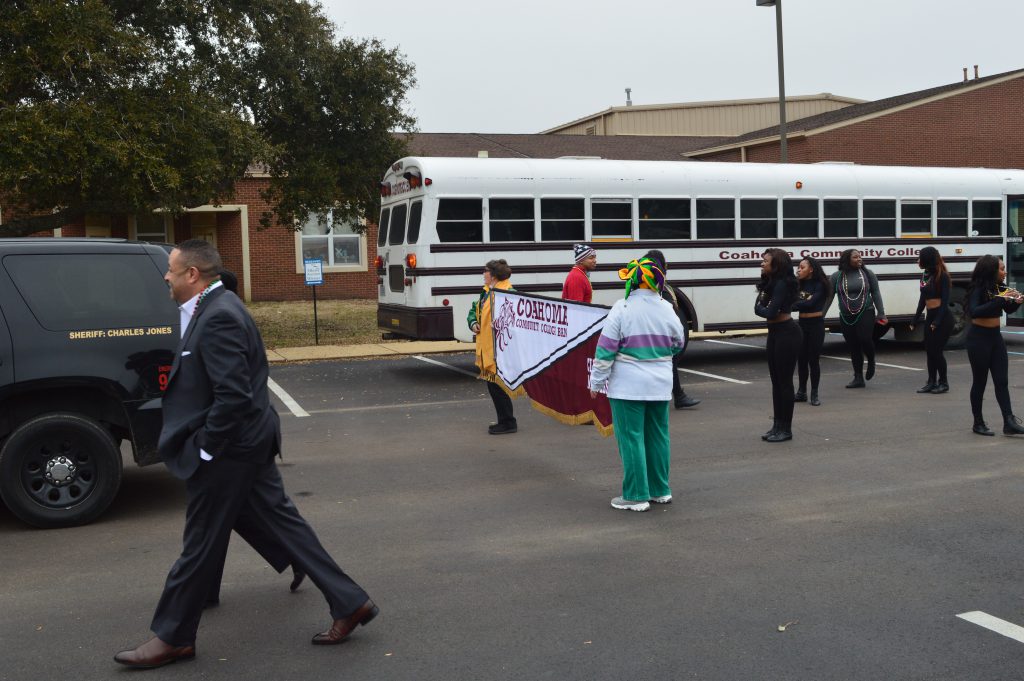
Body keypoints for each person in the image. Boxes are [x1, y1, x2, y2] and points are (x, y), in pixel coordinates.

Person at [115, 240, 377, 669]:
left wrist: (205, 451)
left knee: (199, 543)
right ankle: (350, 602)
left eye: (172, 270)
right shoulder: (214, 308)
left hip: (232, 449)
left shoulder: (219, 316)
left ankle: (174, 636)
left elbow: (233, 396)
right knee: (285, 525)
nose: (166, 276)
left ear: (193, 275)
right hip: (248, 443)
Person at [588, 257, 685, 512]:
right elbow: (679, 342)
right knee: (658, 436)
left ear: (632, 281)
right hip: (661, 383)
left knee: (631, 438)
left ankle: (635, 495)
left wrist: (596, 382)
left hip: (628, 385)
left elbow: (605, 350)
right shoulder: (667, 308)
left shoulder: (622, 308)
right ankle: (660, 490)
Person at [964, 254, 1024, 436]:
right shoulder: (978, 289)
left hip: (995, 338)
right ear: (991, 270)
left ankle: (1009, 421)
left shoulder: (1001, 287)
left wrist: (1016, 302)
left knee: (1002, 381)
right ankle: (978, 422)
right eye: (1001, 268)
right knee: (980, 382)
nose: (1005, 272)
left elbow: (1007, 309)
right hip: (978, 339)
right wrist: (1001, 299)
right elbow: (975, 312)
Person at [755, 248, 802, 443]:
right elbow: (763, 309)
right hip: (774, 333)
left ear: (776, 265)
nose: (762, 264)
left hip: (787, 333)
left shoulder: (782, 284)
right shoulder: (771, 283)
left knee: (785, 382)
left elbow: (769, 311)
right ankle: (777, 425)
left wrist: (760, 308)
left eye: (765, 261)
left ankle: (786, 429)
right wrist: (762, 308)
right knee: (776, 383)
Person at [644, 250, 700, 409]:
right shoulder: (658, 285)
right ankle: (676, 396)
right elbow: (669, 311)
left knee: (668, 364)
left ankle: (678, 396)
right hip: (660, 334)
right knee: (667, 363)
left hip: (655, 333)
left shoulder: (648, 283)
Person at [468, 259, 517, 435]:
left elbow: (514, 320)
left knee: (498, 386)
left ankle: (508, 421)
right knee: (493, 386)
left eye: (485, 271)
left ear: (494, 275)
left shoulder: (508, 293)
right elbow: (475, 310)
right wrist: (473, 322)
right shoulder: (487, 293)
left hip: (501, 350)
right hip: (488, 348)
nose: (483, 274)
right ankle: (505, 420)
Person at [829, 249, 887, 389]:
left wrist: (881, 313)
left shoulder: (867, 274)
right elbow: (829, 297)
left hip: (865, 311)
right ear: (847, 260)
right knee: (853, 345)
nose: (859, 259)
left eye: (860, 256)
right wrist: (821, 314)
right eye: (856, 257)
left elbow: (876, 292)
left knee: (865, 338)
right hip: (846, 316)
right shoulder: (836, 276)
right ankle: (858, 377)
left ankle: (871, 360)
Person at [909, 247, 953, 394]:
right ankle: (931, 381)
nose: (917, 261)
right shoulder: (924, 276)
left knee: (937, 351)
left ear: (927, 259)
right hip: (930, 316)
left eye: (920, 258)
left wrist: (937, 322)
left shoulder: (943, 276)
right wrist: (915, 319)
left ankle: (943, 382)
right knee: (929, 351)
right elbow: (923, 299)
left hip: (943, 318)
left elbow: (945, 301)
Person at [793, 256, 830, 407]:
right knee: (801, 359)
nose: (798, 270)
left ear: (811, 269)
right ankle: (802, 391)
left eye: (802, 267)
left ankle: (814, 393)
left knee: (813, 360)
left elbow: (812, 303)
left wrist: (796, 305)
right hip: (802, 324)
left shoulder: (820, 284)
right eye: (798, 267)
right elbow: (793, 300)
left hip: (816, 324)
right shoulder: (799, 284)